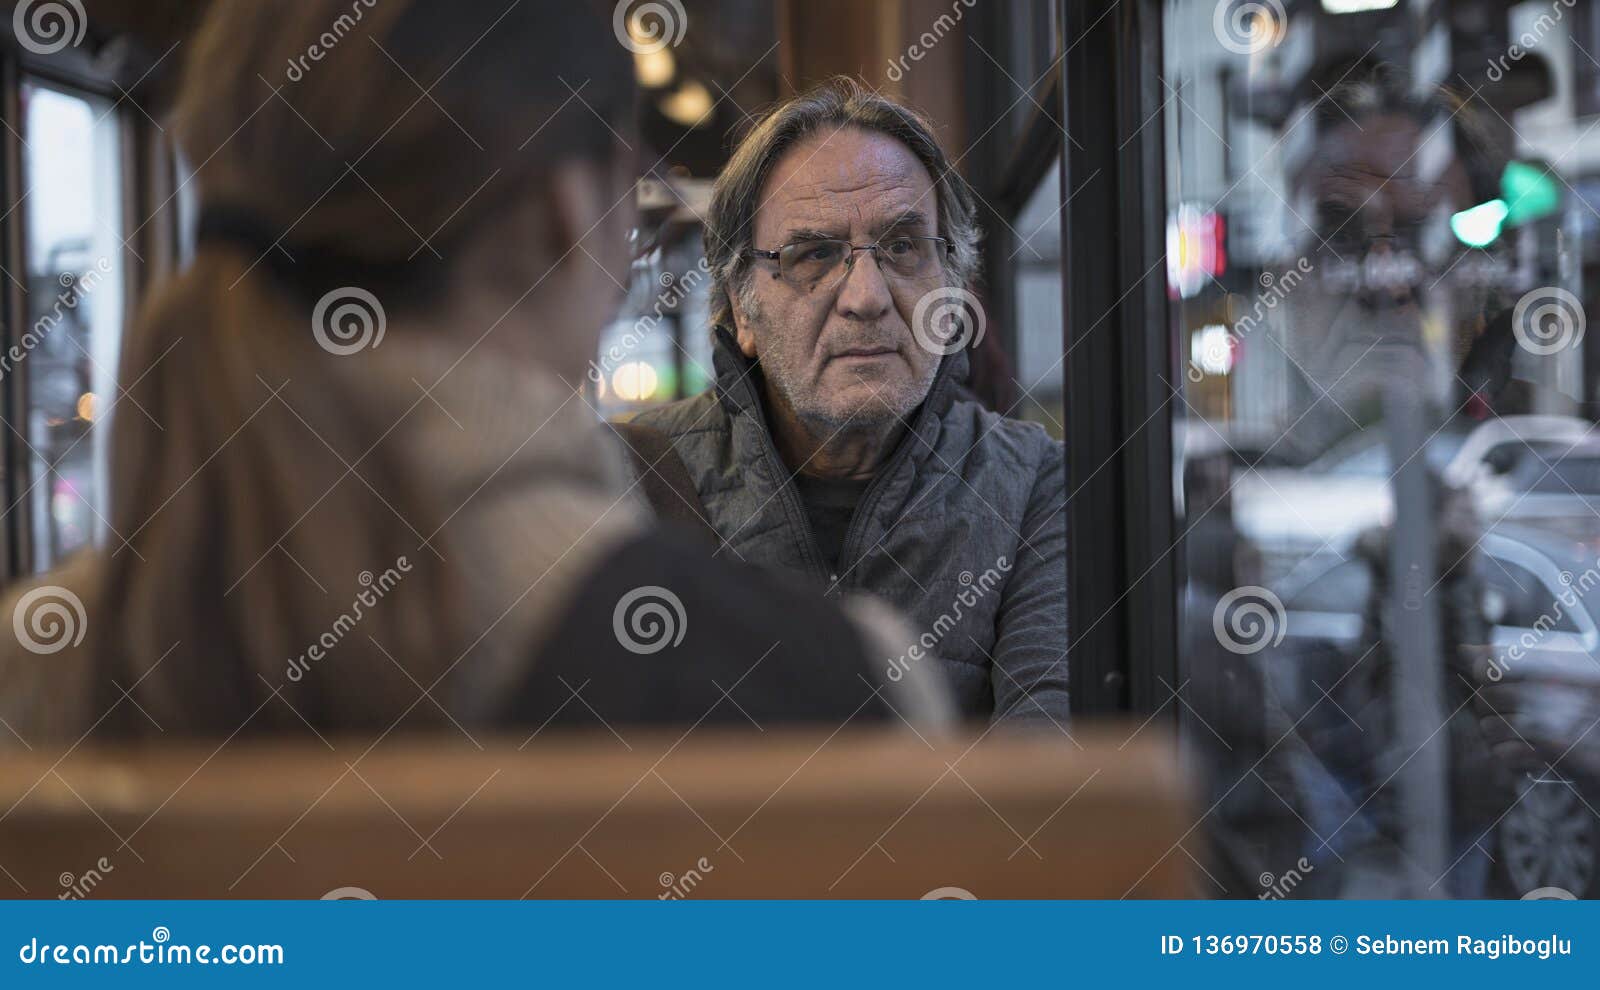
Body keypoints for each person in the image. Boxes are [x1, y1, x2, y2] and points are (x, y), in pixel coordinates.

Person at [0, 1, 951, 745]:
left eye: (902, 246)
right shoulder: (829, 690)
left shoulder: (40, 668)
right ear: (567, 211)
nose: (863, 296)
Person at [633, 79, 1069, 726]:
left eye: (902, 247)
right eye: (813, 254)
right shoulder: (636, 477)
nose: (866, 295)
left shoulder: (1035, 484)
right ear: (742, 311)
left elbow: (1043, 790)